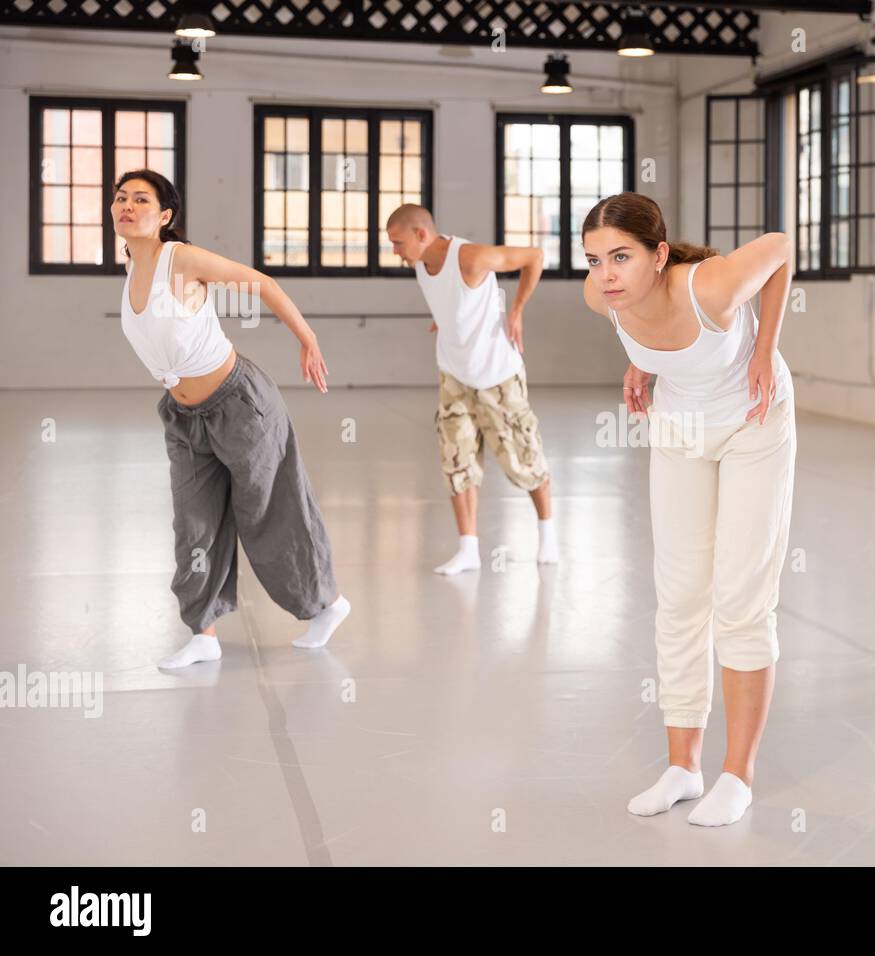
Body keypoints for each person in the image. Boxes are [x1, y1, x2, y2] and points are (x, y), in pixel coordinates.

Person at [581, 192, 796, 826]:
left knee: (741, 597)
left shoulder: (713, 287)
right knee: (678, 597)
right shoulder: (602, 298)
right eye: (594, 260)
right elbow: (652, 333)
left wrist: (764, 349)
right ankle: (683, 766)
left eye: (621, 257)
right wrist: (641, 362)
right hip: (679, 431)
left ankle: (739, 774)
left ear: (660, 255)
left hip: (755, 424)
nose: (606, 274)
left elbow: (781, 248)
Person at [115, 169, 349, 669]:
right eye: (120, 198)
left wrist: (308, 339)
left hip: (240, 405)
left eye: (140, 198)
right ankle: (204, 633)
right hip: (183, 416)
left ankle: (325, 604)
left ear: (165, 216)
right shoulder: (130, 269)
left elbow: (261, 283)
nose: (126, 205)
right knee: (193, 523)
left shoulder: (181, 259)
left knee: (270, 512)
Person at [386, 205, 557, 574]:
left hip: (497, 374)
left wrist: (517, 310)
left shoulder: (471, 257)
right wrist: (444, 320)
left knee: (523, 460)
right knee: (456, 462)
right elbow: (452, 301)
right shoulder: (419, 265)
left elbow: (534, 257)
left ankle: (548, 536)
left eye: (398, 243)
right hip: (454, 376)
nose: (395, 252)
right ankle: (468, 550)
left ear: (421, 235)